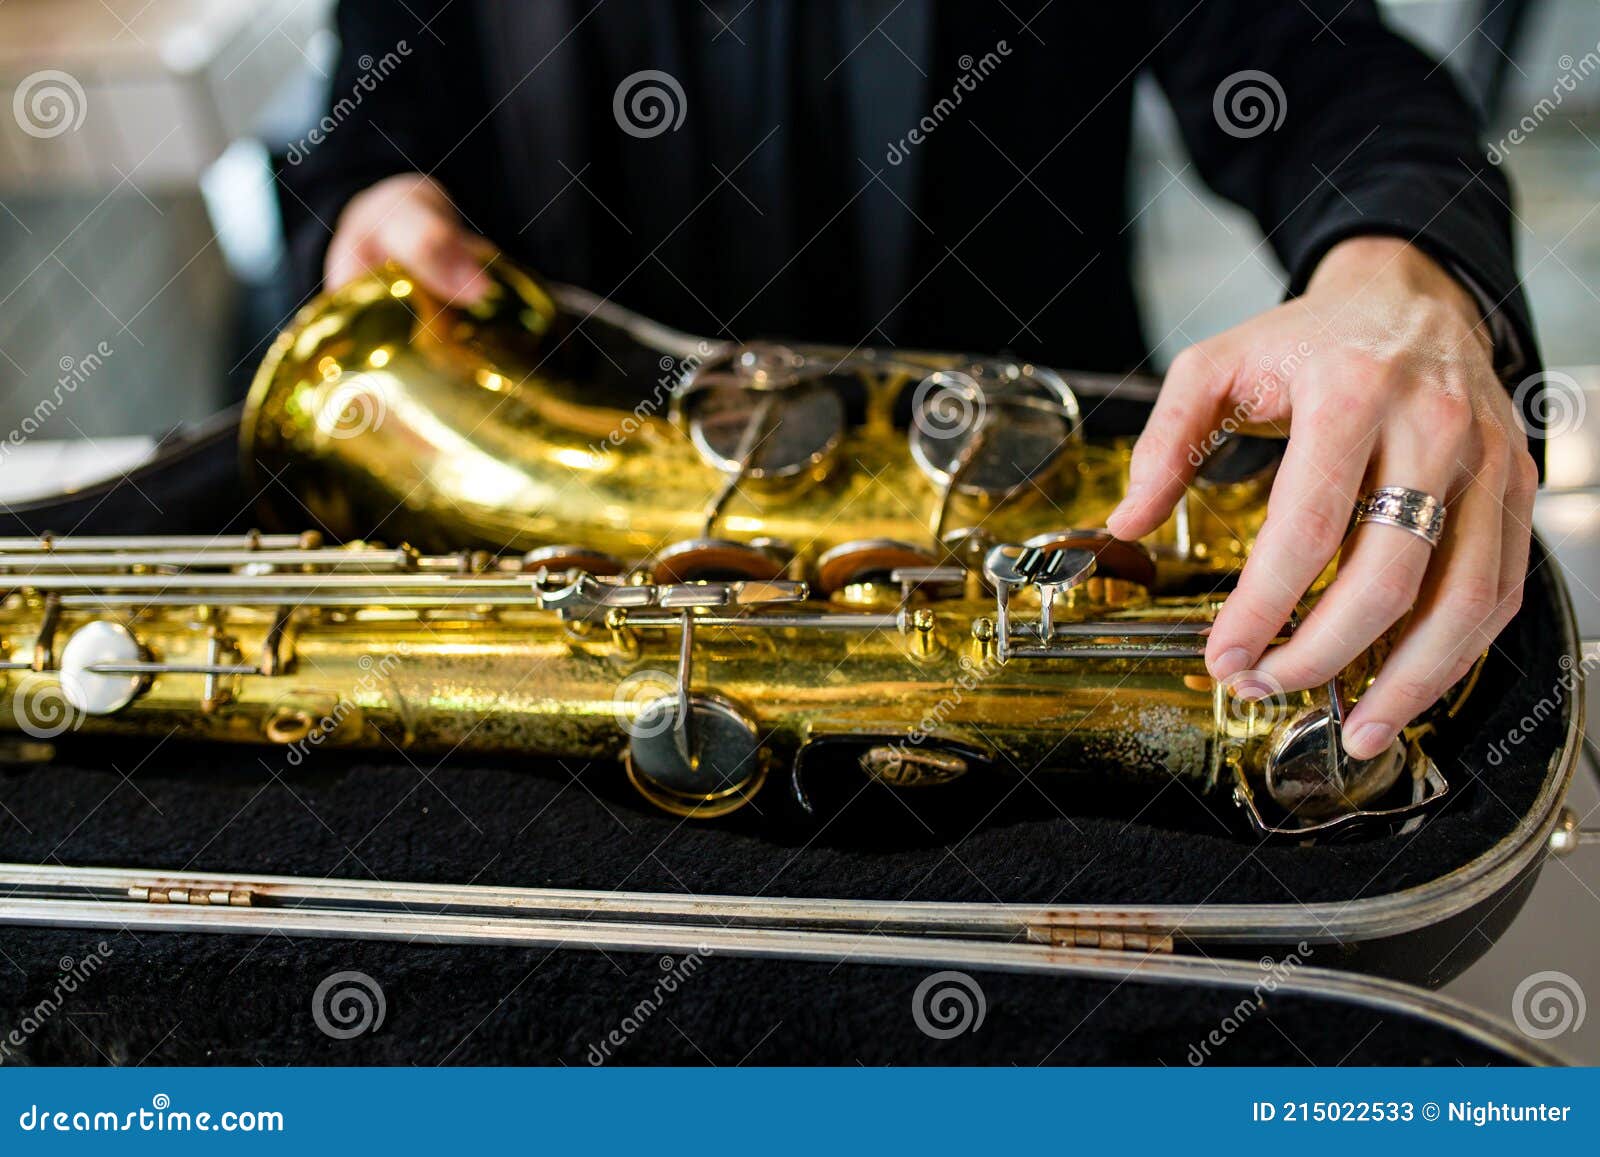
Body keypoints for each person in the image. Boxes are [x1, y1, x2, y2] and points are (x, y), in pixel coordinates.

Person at [284, 1, 1541, 764]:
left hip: (1060, 557)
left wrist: (1407, 279)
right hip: (570, 594)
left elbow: (1328, 77)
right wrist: (372, 205)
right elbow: (365, 124)